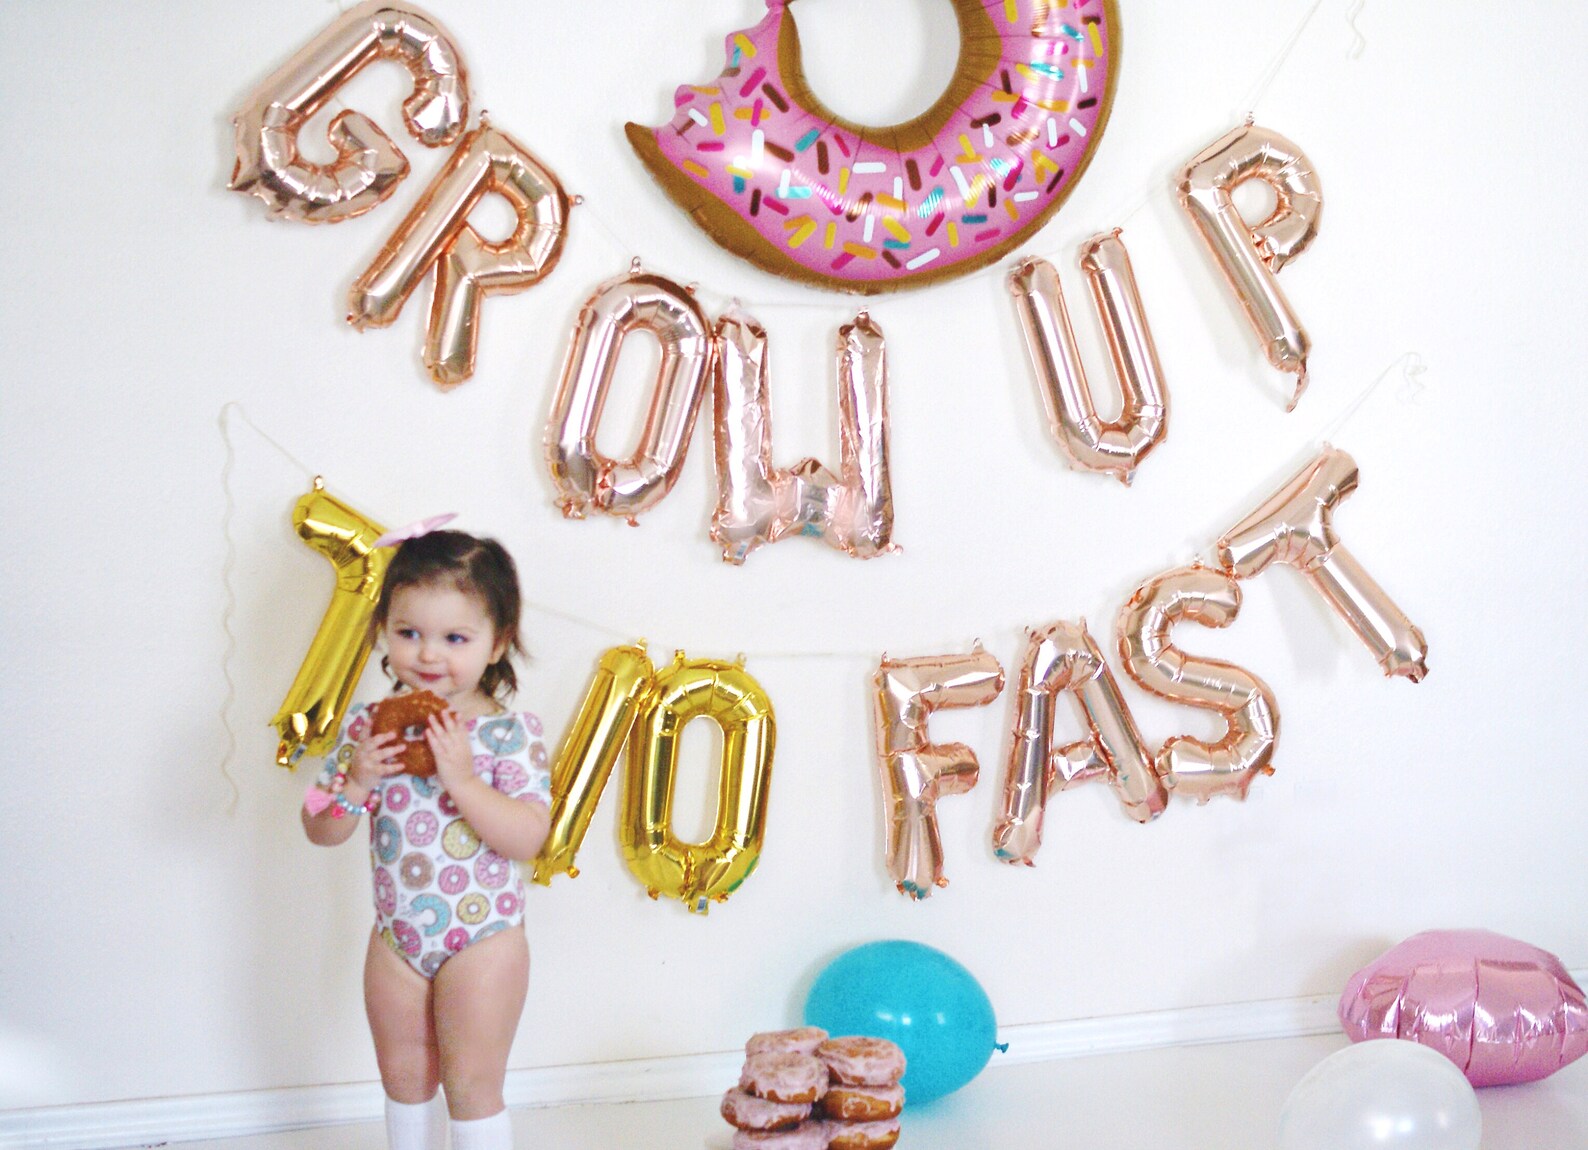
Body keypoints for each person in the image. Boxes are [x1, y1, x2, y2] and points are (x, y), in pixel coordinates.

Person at [302, 528, 551, 1150]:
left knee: (470, 1083)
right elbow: (317, 824)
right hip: (396, 938)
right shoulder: (368, 730)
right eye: (409, 632)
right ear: (383, 628)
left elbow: (529, 837)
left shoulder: (508, 734)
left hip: (484, 939)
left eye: (455, 638)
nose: (429, 654)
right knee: (404, 1077)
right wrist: (356, 780)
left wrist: (462, 780)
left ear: (497, 644)